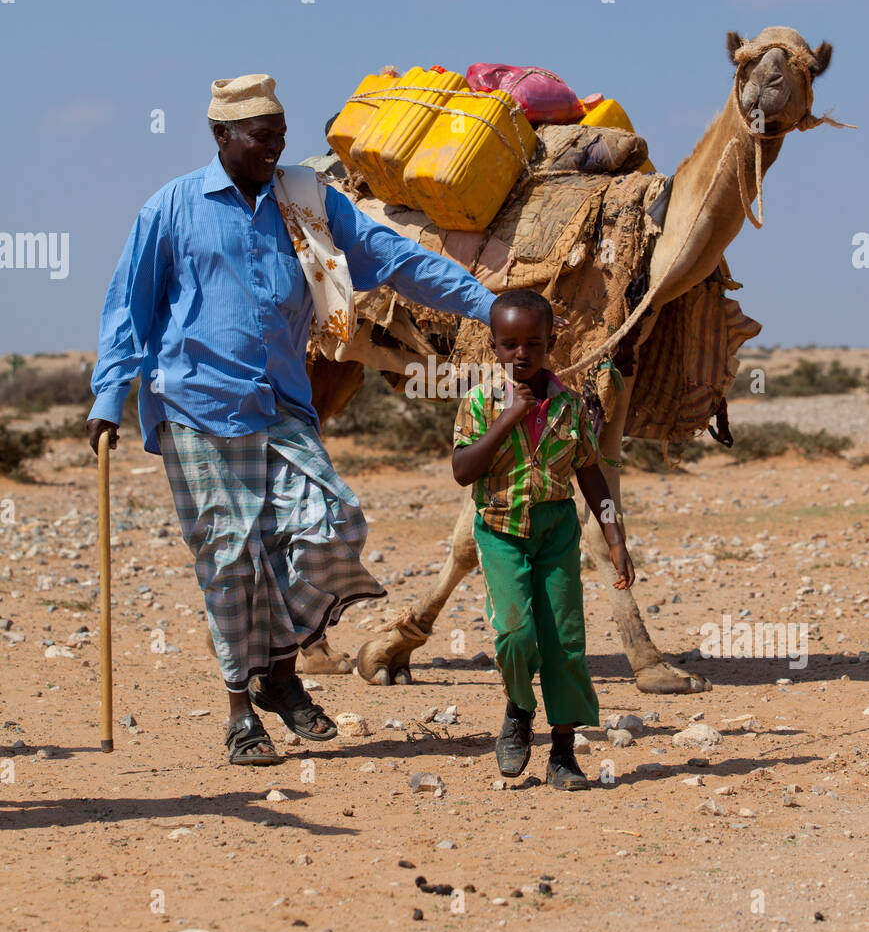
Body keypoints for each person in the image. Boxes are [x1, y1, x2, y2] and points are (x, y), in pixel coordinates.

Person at [87, 73, 496, 766]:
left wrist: (487, 304)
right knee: (229, 559)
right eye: (261, 137)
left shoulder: (305, 201)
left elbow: (392, 258)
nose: (276, 147)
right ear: (221, 136)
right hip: (196, 404)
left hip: (280, 400)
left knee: (332, 526)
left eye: (280, 134)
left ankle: (279, 670)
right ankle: (240, 710)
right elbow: (130, 305)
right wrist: (108, 396)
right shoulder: (173, 207)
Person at [452, 289, 635, 791]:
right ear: (492, 345)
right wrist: (508, 416)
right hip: (501, 529)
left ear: (551, 341)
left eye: (533, 343)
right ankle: (519, 706)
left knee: (564, 642)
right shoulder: (479, 401)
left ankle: (561, 752)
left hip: (556, 530)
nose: (522, 354)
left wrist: (614, 535)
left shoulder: (571, 406)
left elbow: (591, 473)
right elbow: (463, 470)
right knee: (514, 633)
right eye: (509, 344)